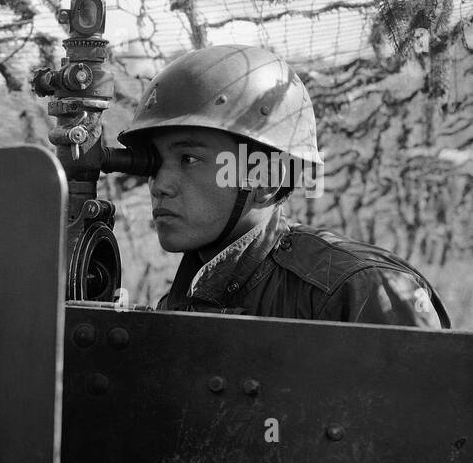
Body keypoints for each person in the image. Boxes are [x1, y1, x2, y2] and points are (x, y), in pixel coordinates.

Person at [118, 45, 450, 328]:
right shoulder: (184, 299)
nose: (159, 185)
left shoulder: (360, 291)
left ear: (265, 178)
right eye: (155, 163)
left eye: (188, 159)